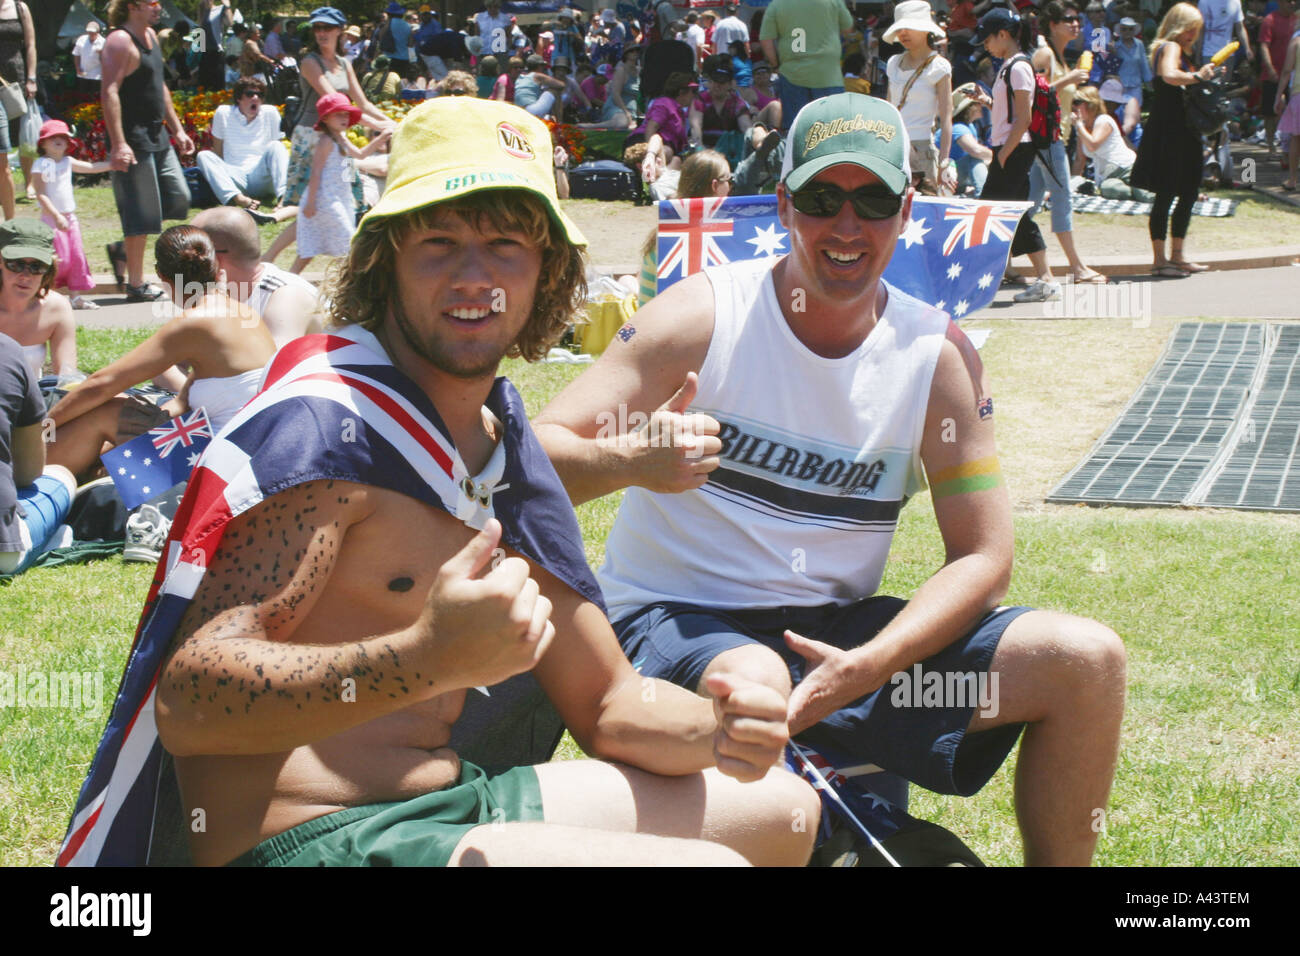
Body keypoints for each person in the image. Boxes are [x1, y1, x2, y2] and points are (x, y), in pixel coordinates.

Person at [104, 96, 826, 869]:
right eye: (439, 243)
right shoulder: (322, 427)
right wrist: (424, 657)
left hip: (444, 799)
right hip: (306, 838)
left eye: (507, 245)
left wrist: (721, 722)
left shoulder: (501, 443)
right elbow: (190, 700)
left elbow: (610, 701)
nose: (475, 276)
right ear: (386, 261)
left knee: (783, 810)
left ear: (548, 270)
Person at [534, 92, 1127, 868]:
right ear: (783, 206)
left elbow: (983, 555)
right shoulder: (700, 318)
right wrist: (631, 460)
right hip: (676, 624)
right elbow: (530, 456)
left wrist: (871, 666)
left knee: (1085, 661)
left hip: (838, 645)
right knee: (750, 679)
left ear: (907, 209)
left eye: (873, 199)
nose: (847, 226)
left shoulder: (937, 357)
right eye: (822, 198)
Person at [46, 225, 276, 480]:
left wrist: (42, 429)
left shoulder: (196, 321)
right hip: (248, 450)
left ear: (160, 274)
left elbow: (101, 384)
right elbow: (182, 402)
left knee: (105, 412)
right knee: (113, 428)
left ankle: (26, 467)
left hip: (220, 464)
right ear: (216, 265)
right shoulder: (242, 312)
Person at [263, 7, 396, 270]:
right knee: (313, 205)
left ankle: (276, 262)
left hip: (339, 137)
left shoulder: (345, 64)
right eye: (317, 28)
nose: (321, 33)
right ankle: (270, 258)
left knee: (342, 197)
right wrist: (383, 128)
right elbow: (338, 105)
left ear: (340, 31)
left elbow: (363, 103)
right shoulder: (310, 62)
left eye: (327, 28)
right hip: (313, 137)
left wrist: (394, 124)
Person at [101, 0, 195, 304]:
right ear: (132, 6)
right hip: (132, 140)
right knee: (140, 214)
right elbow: (109, 91)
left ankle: (124, 249)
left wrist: (177, 129)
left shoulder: (152, 37)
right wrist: (118, 143)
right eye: (151, 2)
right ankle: (137, 286)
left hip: (157, 136)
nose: (159, 8)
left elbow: (160, 87)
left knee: (179, 197)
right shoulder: (119, 41)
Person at [976, 7, 1062, 302]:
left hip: (1013, 149)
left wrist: (1004, 155)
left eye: (987, 39)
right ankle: (1044, 278)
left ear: (1003, 34)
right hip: (1010, 148)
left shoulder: (1018, 67)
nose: (985, 46)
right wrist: (986, 100)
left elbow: (1023, 118)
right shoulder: (1009, 66)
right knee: (1017, 215)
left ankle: (984, 279)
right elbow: (1009, 113)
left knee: (988, 212)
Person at [1131, 3, 1220, 276]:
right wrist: (1196, 75)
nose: (1194, 33)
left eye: (1197, 28)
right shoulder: (1170, 47)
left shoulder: (1182, 50)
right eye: (1190, 27)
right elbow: (1169, 75)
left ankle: (1177, 255)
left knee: (1189, 192)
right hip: (1170, 130)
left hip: (1183, 129)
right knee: (1168, 193)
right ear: (1178, 25)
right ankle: (1160, 259)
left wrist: (1202, 77)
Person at [1030, 2, 1107, 283]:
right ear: (1052, 24)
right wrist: (1068, 81)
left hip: (1052, 138)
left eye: (1077, 20)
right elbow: (1028, 92)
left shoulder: (1061, 57)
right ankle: (1077, 268)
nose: (1075, 24)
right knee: (1062, 201)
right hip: (1047, 140)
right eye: (1068, 19)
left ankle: (1001, 265)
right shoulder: (1045, 54)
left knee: (1027, 206)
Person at [192, 206, 324, 347]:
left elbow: (274, 365)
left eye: (188, 250)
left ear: (214, 258)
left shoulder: (286, 295)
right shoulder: (220, 293)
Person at [0, 331, 75, 576]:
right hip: (4, 552)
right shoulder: (7, 349)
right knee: (60, 474)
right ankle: (49, 539)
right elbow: (28, 473)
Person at [294, 93, 390, 274]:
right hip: (325, 199)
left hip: (339, 196)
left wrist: (381, 137)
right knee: (345, 241)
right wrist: (311, 202)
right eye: (339, 114)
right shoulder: (325, 141)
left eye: (346, 114)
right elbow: (315, 172)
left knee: (312, 248)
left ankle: (343, 280)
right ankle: (352, 281)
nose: (344, 118)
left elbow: (360, 155)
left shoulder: (341, 137)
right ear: (326, 118)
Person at [32, 121, 111, 311]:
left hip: (70, 217)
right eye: (53, 138)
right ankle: (52, 296)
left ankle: (75, 298)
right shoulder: (42, 164)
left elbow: (91, 167)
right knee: (59, 258)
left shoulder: (67, 162)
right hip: (52, 219)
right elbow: (41, 193)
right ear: (43, 143)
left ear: (68, 143)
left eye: (63, 138)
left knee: (76, 257)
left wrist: (112, 164)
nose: (59, 140)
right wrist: (57, 216)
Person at [634, 148, 730, 305]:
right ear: (715, 186)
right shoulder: (713, 237)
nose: (730, 187)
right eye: (728, 179)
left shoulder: (667, 231)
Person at [884, 1, 956, 195]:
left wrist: (944, 162)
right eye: (899, 28)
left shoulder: (939, 67)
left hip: (922, 150)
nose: (903, 33)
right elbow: (889, 109)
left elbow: (946, 118)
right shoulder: (893, 63)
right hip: (893, 147)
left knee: (924, 214)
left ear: (925, 30)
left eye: (909, 27)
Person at [195, 76, 287, 219]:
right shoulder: (223, 113)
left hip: (261, 176)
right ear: (239, 98)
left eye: (260, 95)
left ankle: (283, 198)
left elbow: (278, 155)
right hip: (236, 177)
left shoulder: (270, 112)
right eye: (250, 94)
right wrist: (222, 175)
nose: (255, 98)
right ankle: (238, 198)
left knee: (277, 146)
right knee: (204, 156)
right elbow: (218, 151)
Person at [760, 0, 854, 132]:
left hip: (792, 76)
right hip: (828, 75)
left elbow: (766, 41)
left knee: (796, 130)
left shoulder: (777, 4)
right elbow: (847, 29)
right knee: (832, 130)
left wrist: (775, 65)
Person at [0, 220, 76, 384]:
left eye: (37, 266)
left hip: (30, 405)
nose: (26, 276)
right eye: (16, 264)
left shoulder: (56, 308)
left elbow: (66, 379)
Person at [1072, 83, 1153, 197]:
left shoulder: (1104, 120)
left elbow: (1093, 145)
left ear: (1090, 105)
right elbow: (1079, 160)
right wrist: (1073, 183)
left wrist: (1079, 126)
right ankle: (1133, 191)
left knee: (1145, 196)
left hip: (1126, 168)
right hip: (1109, 177)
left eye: (1076, 103)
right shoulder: (1081, 129)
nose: (1073, 107)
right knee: (1109, 189)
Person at [0, 0, 36, 217]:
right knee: (3, 151)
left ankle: (30, 182)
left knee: (26, 136)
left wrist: (31, 78)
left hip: (17, 80)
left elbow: (30, 45)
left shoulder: (20, 8)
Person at [633, 71, 697, 184]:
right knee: (667, 151)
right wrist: (650, 151)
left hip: (667, 151)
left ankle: (661, 185)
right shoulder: (665, 103)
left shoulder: (680, 111)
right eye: (693, 91)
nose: (694, 95)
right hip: (642, 142)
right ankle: (649, 172)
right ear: (681, 92)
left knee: (677, 160)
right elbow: (651, 127)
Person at [1258, 0, 1296, 157]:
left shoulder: (1296, 19)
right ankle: (1270, 143)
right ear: (1280, 2)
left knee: (1293, 110)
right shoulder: (1270, 19)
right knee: (1270, 112)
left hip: (1293, 75)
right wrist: (1270, 68)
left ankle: (1287, 148)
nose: (1292, 4)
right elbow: (1263, 45)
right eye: (1288, 1)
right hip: (1273, 74)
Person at [579, 44, 641, 128]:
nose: (635, 53)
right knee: (622, 123)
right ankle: (593, 126)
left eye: (637, 50)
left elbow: (634, 97)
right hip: (617, 107)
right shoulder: (621, 70)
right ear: (626, 54)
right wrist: (626, 112)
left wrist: (638, 112)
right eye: (632, 51)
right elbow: (616, 95)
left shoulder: (638, 71)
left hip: (632, 109)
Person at [1275, 28, 1300, 189]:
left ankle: (1292, 179)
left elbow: (1286, 72)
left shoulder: (1296, 42)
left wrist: (1278, 96)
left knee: (1296, 138)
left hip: (1299, 93)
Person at [513, 53, 565, 117]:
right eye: (543, 66)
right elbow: (561, 85)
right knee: (554, 90)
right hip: (531, 111)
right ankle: (559, 123)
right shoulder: (537, 76)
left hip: (519, 112)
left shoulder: (520, 77)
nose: (544, 68)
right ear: (539, 66)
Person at [73, 20, 106, 96]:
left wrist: (102, 54)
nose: (90, 33)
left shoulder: (103, 42)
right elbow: (76, 54)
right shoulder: (81, 39)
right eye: (89, 31)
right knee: (83, 95)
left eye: (92, 32)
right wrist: (77, 67)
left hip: (97, 75)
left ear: (97, 32)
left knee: (95, 96)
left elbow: (107, 61)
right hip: (83, 73)